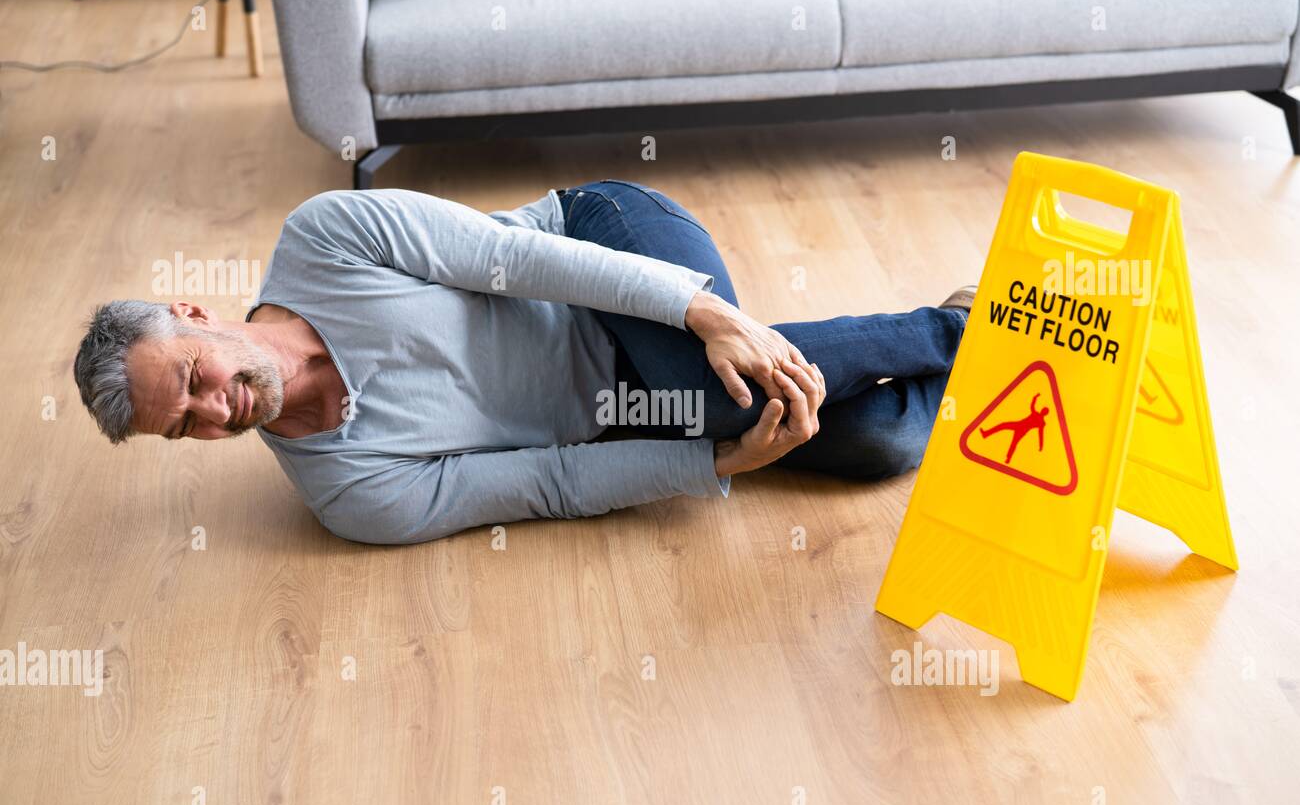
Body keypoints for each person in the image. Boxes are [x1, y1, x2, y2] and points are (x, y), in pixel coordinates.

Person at [73, 179, 970, 544]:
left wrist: (706, 312)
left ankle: (978, 331)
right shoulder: (348, 495)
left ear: (193, 314)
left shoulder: (325, 238)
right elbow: (544, 482)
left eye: (193, 379)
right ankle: (962, 356)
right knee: (878, 447)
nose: (215, 411)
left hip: (607, 253)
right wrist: (720, 464)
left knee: (716, 388)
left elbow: (525, 262)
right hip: (621, 403)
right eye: (186, 425)